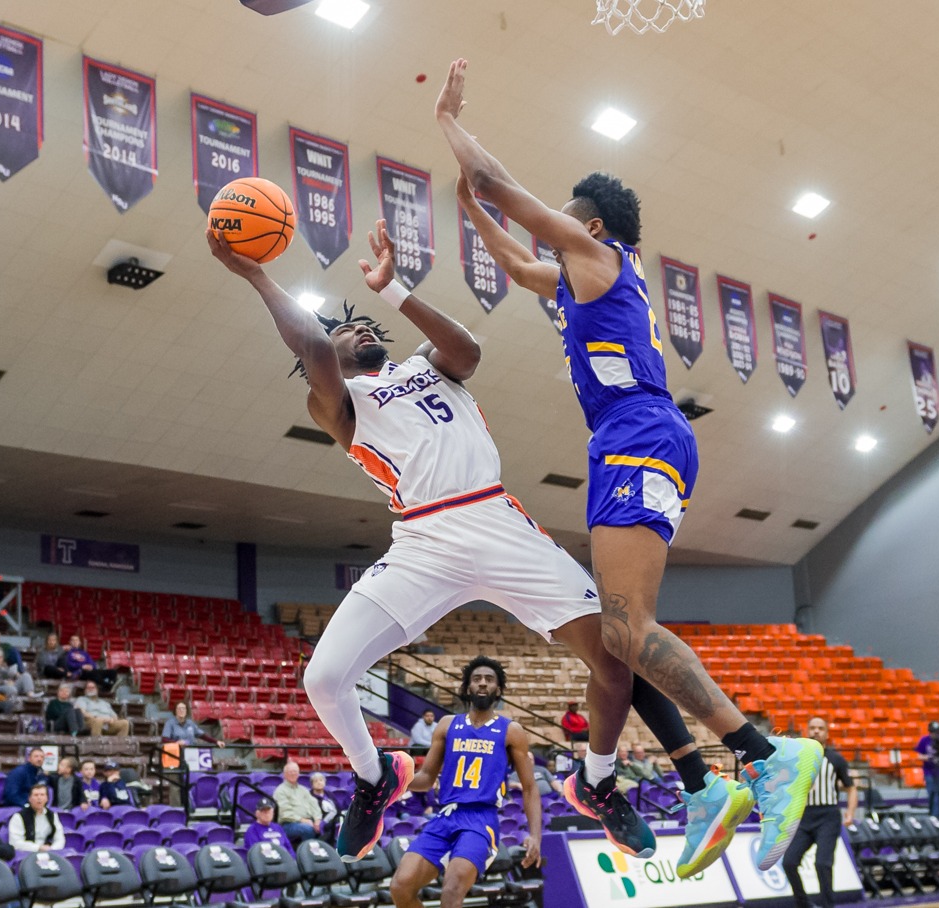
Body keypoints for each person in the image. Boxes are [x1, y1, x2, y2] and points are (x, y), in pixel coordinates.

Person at [210, 202, 707, 864]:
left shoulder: (424, 367)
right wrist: (256, 276)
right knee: (324, 679)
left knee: (614, 657)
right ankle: (371, 778)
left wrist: (395, 289)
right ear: (322, 359)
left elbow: (467, 349)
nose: (361, 329)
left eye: (365, 322)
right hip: (423, 541)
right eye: (346, 331)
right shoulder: (338, 404)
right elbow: (308, 344)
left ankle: (596, 781)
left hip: (498, 521)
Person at [436, 58, 821, 874]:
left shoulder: (600, 258)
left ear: (594, 230)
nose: (558, 231)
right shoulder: (584, 284)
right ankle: (696, 786)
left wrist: (452, 129)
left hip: (636, 431)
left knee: (627, 630)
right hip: (638, 436)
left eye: (569, 221)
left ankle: (763, 754)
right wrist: (471, 210)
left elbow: (511, 192)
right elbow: (514, 263)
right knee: (618, 636)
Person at [389, 656, 541, 908]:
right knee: (400, 887)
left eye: (489, 680)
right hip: (444, 817)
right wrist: (393, 782)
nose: (482, 684)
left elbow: (529, 787)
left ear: (498, 690)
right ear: (467, 687)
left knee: (451, 892)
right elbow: (426, 778)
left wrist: (535, 836)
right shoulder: (447, 725)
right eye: (477, 679)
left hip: (480, 820)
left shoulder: (511, 730)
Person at [784, 717, 858, 908]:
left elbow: (851, 787)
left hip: (828, 816)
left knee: (822, 864)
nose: (816, 731)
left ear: (827, 733)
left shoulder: (836, 759)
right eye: (812, 728)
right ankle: (803, 904)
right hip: (804, 816)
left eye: (820, 728)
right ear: (806, 731)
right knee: (789, 862)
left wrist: (850, 812)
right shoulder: (797, 758)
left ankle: (827, 906)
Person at [270, 761, 321, 846]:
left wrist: (317, 820)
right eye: (290, 772)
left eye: (295, 771)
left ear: (298, 773)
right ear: (284, 774)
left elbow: (314, 805)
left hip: (309, 821)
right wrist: (303, 820)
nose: (293, 773)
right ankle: (308, 853)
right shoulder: (280, 791)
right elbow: (285, 813)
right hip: (288, 824)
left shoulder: (303, 790)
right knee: (307, 829)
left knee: (328, 826)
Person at [8, 782, 65, 853]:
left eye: (42, 795)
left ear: (47, 798)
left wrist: (52, 849)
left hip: (48, 852)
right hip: (26, 853)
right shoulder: (18, 817)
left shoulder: (53, 815)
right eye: (36, 795)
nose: (39, 798)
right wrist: (38, 848)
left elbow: (60, 838)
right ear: (30, 799)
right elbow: (15, 843)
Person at [309, 772, 341, 844]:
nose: (319, 783)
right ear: (312, 784)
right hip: (320, 822)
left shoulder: (329, 794)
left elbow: (338, 808)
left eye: (321, 780)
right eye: (316, 781)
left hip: (335, 819)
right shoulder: (310, 796)